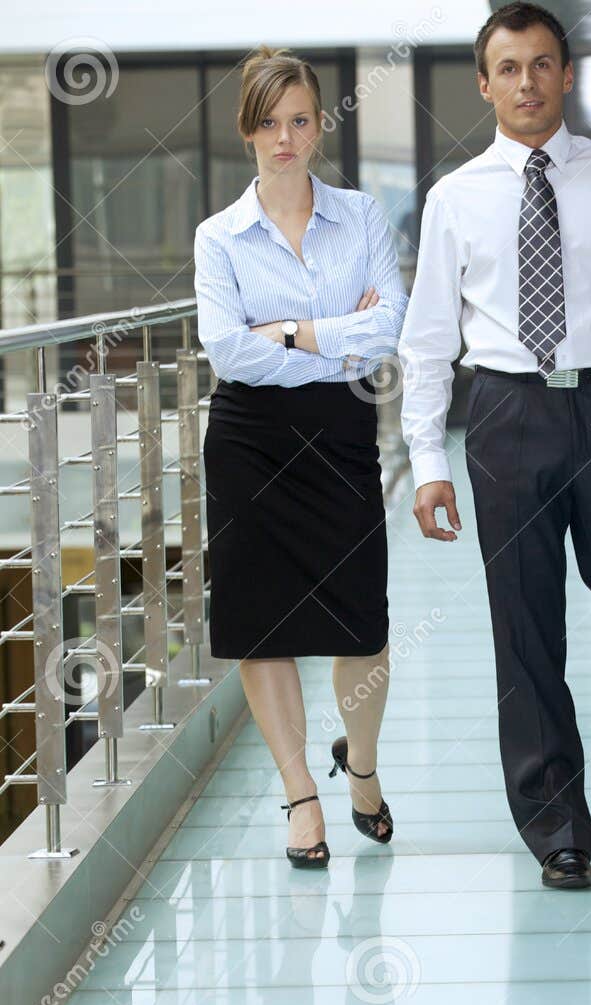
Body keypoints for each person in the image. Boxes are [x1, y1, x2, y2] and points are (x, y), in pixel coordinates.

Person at [397, 2, 591, 890]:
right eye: (509, 67)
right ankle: (558, 827)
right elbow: (425, 344)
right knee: (524, 630)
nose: (526, 82)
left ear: (566, 76)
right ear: (485, 82)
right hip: (504, 414)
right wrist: (426, 464)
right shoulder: (454, 199)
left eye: (542, 64)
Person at [195, 45, 407, 867]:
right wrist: (333, 338)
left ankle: (362, 765)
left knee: (364, 626)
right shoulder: (221, 238)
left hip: (341, 436)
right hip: (248, 441)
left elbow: (384, 333)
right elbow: (227, 354)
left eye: (300, 120)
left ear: (319, 125)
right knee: (260, 627)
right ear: (248, 130)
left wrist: (284, 330)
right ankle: (301, 799)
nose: (286, 138)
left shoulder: (360, 218)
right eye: (270, 123)